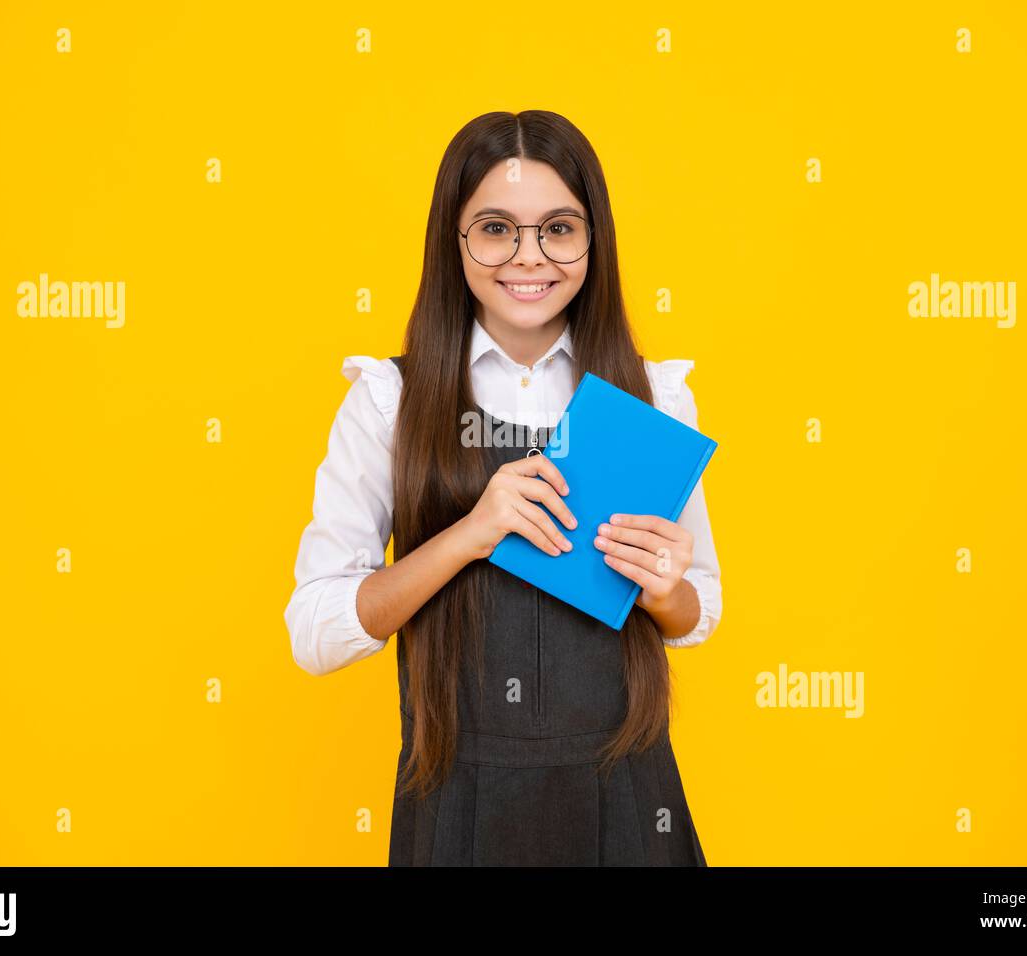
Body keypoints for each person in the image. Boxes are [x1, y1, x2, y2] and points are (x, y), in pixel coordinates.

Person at [285, 110, 721, 865]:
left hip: (626, 796)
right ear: (452, 240)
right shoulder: (390, 400)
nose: (529, 257)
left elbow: (698, 611)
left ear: (594, 241)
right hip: (461, 800)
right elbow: (313, 633)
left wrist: (663, 588)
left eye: (559, 229)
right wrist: (468, 535)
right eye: (495, 229)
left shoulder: (653, 398)